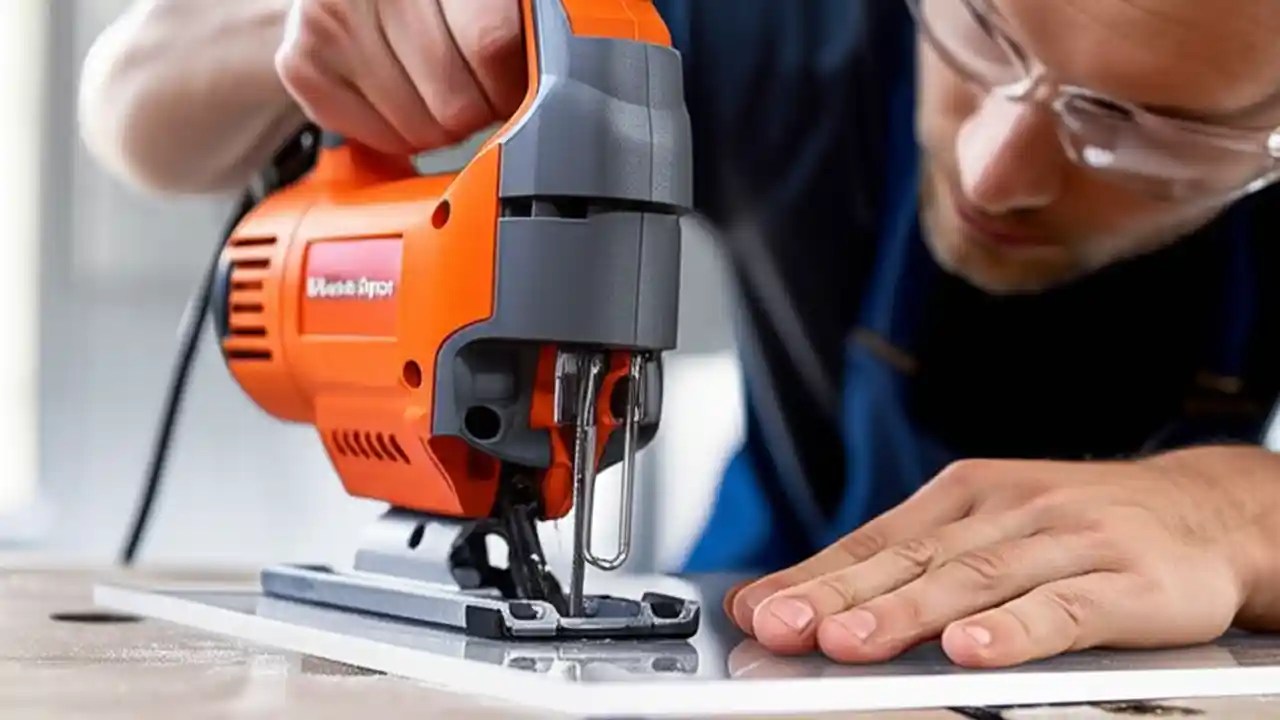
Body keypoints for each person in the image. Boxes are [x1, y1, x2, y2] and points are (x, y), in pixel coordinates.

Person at [79, 0, 1280, 669]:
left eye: (1141, 127)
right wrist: (323, 19)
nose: (990, 167)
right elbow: (129, 103)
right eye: (980, 34)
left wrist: (1239, 515)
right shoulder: (795, 26)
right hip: (753, 609)